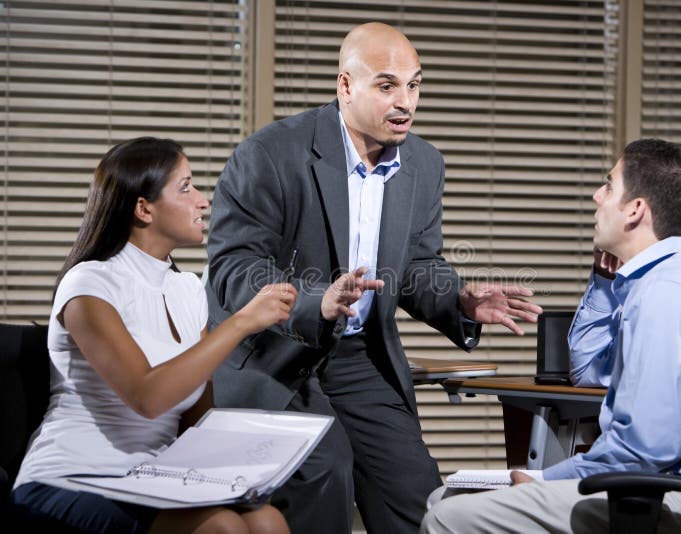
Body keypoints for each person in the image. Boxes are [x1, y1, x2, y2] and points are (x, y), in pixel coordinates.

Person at [205, 22, 542, 534]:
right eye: (387, 86)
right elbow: (234, 268)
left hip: (360, 356)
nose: (405, 101)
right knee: (326, 474)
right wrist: (314, 302)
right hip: (277, 353)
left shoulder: (423, 165)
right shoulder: (269, 155)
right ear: (345, 86)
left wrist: (460, 301)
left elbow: (415, 267)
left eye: (414, 85)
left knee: (416, 491)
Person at [421, 139, 681, 533]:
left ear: (635, 210)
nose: (597, 196)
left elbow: (645, 451)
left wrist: (547, 479)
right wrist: (603, 282)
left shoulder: (668, 293)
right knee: (443, 497)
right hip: (658, 488)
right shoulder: (661, 281)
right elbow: (590, 373)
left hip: (680, 501)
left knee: (448, 518)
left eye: (609, 186)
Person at [11, 137, 295, 534]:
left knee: (268, 521)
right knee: (222, 528)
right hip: (69, 480)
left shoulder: (187, 290)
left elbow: (197, 421)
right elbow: (148, 397)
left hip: (151, 481)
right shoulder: (90, 283)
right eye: (185, 187)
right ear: (143, 209)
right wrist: (241, 322)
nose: (202, 200)